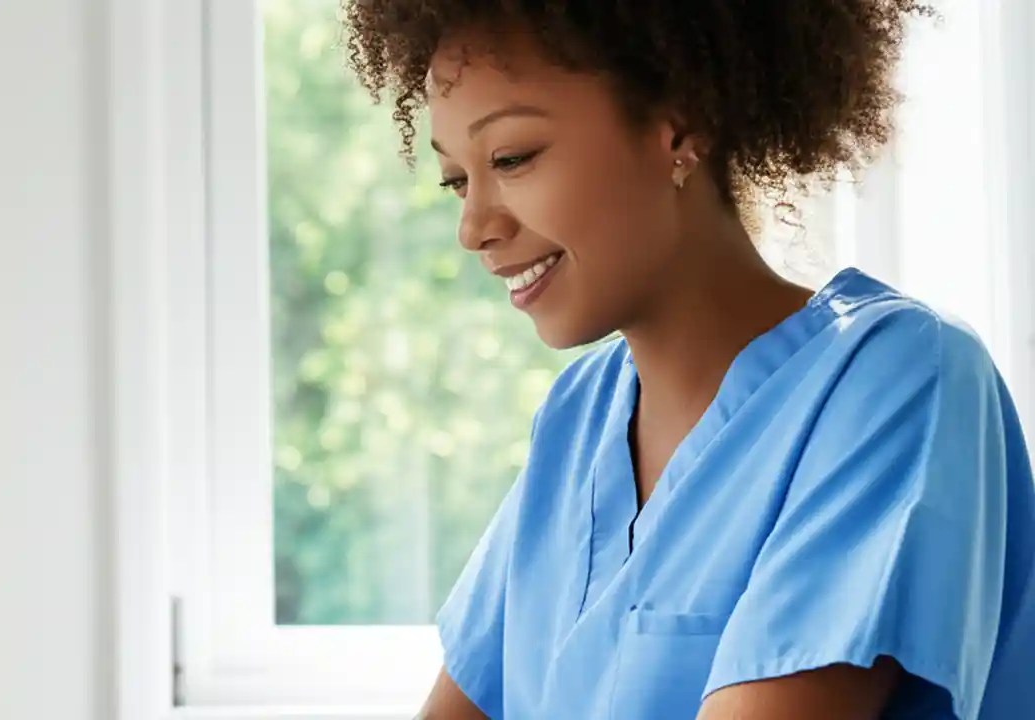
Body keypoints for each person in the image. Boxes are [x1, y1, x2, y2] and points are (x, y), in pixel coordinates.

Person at [340, 1, 1035, 718]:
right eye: (457, 180)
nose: (474, 228)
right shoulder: (577, 419)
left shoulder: (900, 378)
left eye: (511, 159)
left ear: (679, 127)